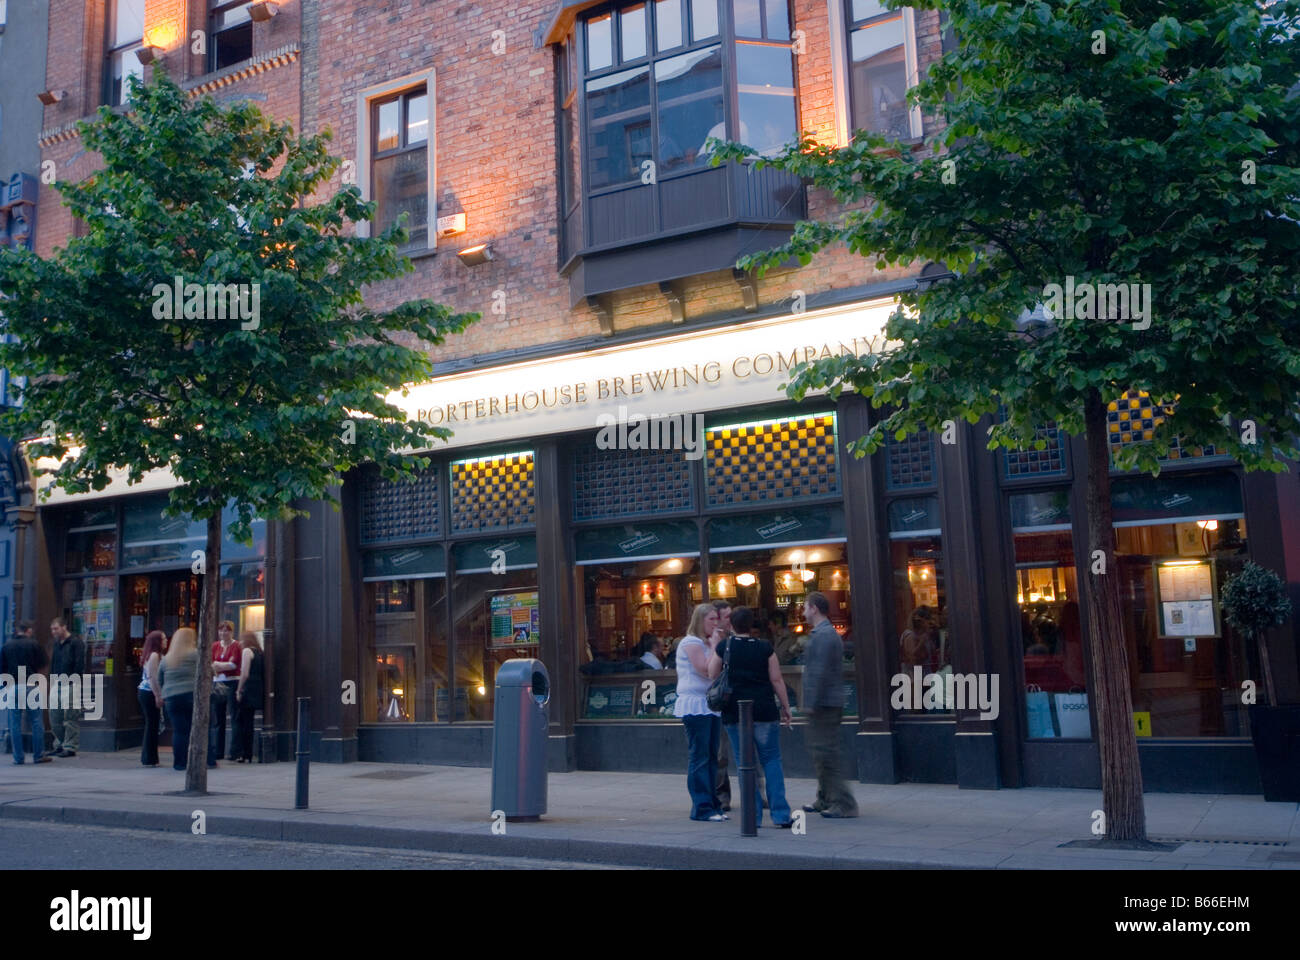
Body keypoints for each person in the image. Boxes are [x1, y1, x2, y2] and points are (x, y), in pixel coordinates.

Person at [707, 606, 792, 828]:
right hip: (764, 710)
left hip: (735, 712)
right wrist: (786, 707)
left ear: (732, 625)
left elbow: (712, 673)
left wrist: (715, 646)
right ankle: (781, 814)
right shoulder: (765, 647)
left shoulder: (725, 647)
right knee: (771, 760)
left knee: (745, 763)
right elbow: (776, 679)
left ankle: (752, 816)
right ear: (751, 624)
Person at [800, 592, 859, 818]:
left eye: (805, 607)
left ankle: (844, 803)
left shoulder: (824, 635)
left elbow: (819, 671)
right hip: (825, 702)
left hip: (824, 704)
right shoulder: (823, 633)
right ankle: (825, 797)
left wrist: (810, 702)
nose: (803, 611)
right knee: (821, 754)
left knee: (826, 754)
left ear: (814, 608)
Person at [674, 604, 726, 821]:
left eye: (717, 619)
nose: (716, 623)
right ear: (700, 620)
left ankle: (713, 803)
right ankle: (701, 807)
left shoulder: (706, 642)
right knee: (700, 756)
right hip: (694, 704)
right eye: (711, 619)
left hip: (710, 704)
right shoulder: (691, 642)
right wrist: (715, 646)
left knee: (712, 756)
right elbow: (706, 671)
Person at [157, 627, 215, 771]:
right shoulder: (196, 655)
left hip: (172, 698)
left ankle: (180, 763)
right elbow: (209, 671)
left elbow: (160, 679)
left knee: (179, 731)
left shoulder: (167, 659)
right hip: (192, 695)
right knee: (200, 728)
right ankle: (208, 760)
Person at [2, 622, 51, 764]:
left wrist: (6, 687)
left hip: (13, 687)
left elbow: (2, 669)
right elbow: (43, 666)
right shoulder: (34, 644)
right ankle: (38, 755)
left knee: (14, 724)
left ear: (18, 631)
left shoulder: (7, 646)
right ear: (28, 630)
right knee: (36, 721)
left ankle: (18, 757)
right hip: (31, 685)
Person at [48, 617, 85, 758]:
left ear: (64, 627)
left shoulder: (76, 642)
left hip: (70, 683)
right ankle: (59, 744)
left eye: (56, 628)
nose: (53, 632)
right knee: (54, 717)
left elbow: (79, 663)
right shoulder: (57, 643)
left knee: (70, 717)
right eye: (52, 629)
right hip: (56, 682)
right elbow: (53, 663)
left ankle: (70, 747)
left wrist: (75, 681)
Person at [232, 632, 265, 763]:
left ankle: (243, 753)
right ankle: (248, 753)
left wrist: (238, 689)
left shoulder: (247, 651)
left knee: (241, 721)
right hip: (257, 688)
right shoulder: (259, 652)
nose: (240, 643)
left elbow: (244, 673)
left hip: (248, 689)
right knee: (249, 722)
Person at [210, 621, 241, 761]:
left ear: (232, 632)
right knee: (218, 718)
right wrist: (220, 666)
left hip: (232, 682)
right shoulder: (215, 646)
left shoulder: (236, 646)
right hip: (217, 682)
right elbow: (210, 663)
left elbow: (233, 665)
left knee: (234, 716)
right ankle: (218, 751)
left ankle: (234, 751)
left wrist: (218, 665)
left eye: (226, 630)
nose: (223, 633)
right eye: (221, 630)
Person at [137, 630, 166, 767]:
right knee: (152, 724)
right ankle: (149, 758)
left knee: (152, 725)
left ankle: (151, 757)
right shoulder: (154, 655)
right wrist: (158, 695)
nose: (166, 641)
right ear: (157, 642)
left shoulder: (154, 655)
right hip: (149, 692)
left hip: (147, 692)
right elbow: (152, 677)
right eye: (163, 639)